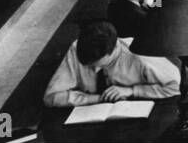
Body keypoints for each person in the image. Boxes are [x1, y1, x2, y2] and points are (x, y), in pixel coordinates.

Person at [43, 21, 180, 108]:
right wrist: (96, 99)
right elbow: (51, 97)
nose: (94, 69)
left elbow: (175, 86)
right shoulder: (76, 49)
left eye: (97, 64)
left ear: (114, 48)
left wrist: (133, 90)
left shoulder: (139, 55)